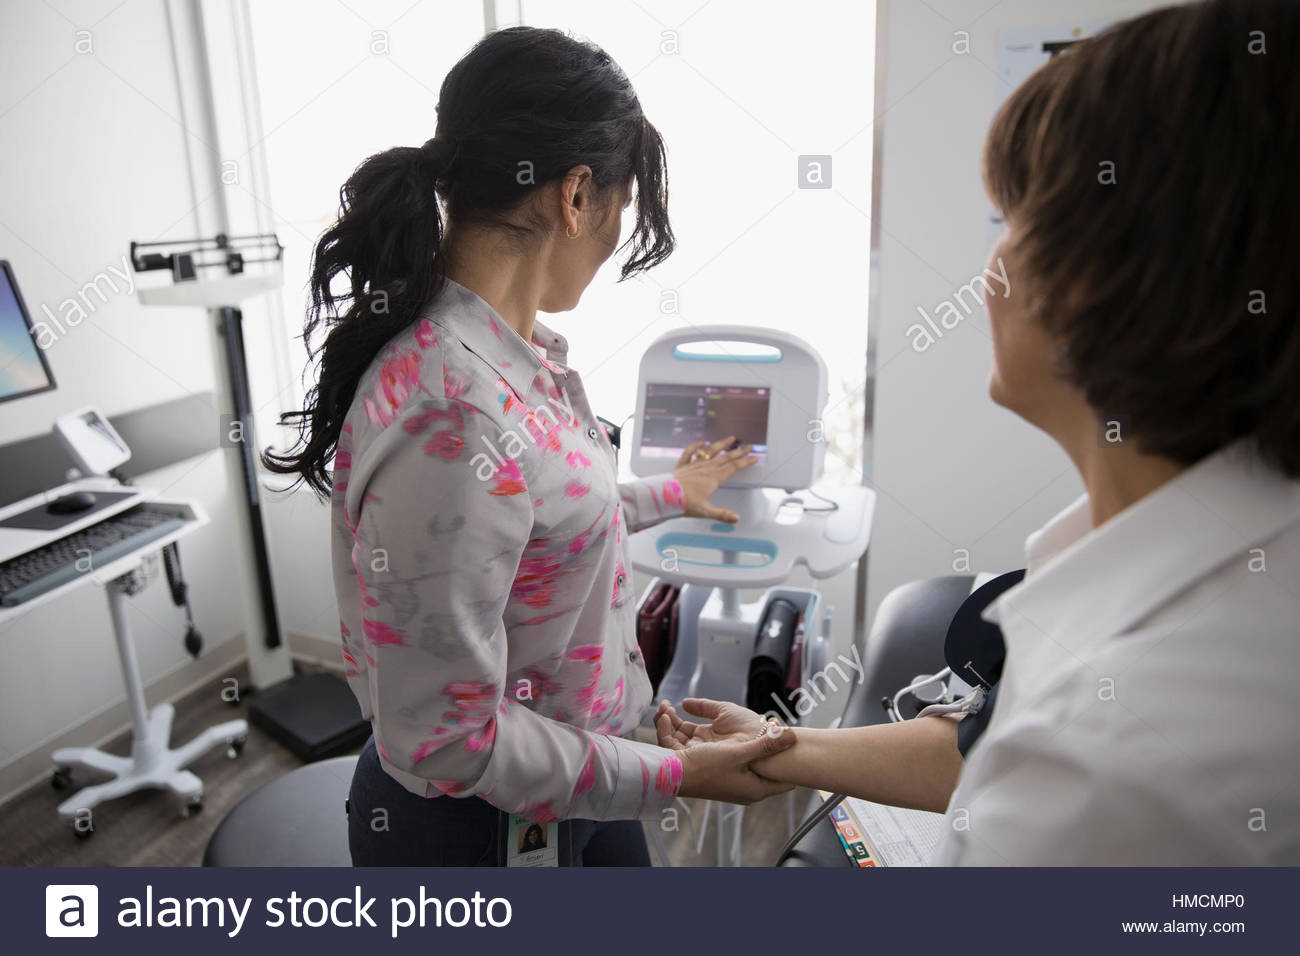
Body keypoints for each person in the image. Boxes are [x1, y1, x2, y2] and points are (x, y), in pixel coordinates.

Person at [658, 0, 1300, 865]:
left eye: (1013, 220)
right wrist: (783, 750)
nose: (989, 266)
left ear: (1103, 275)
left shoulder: (1103, 770)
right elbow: (976, 744)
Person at [265, 27, 793, 866]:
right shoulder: (452, 408)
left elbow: (534, 522)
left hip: (583, 780)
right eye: (622, 206)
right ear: (576, 196)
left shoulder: (518, 360)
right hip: (477, 826)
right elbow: (448, 739)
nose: (620, 233)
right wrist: (675, 778)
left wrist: (666, 494)